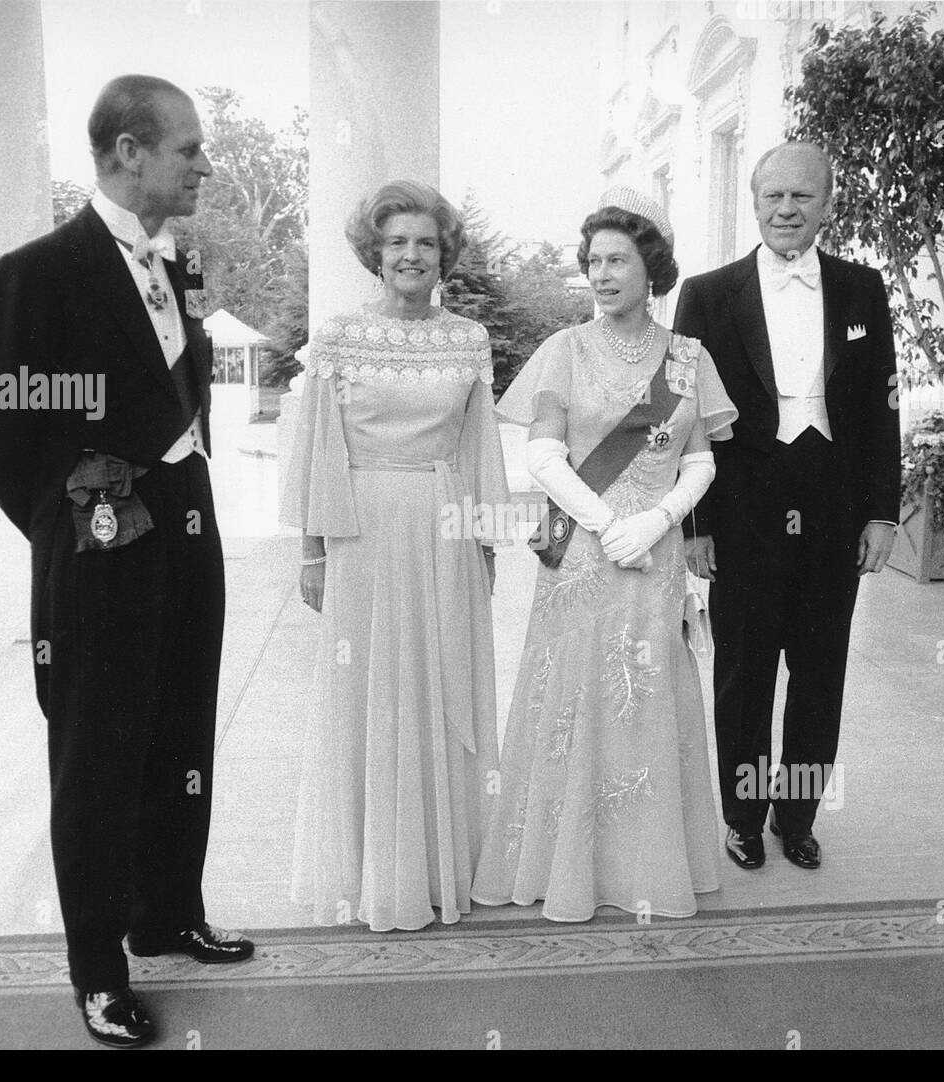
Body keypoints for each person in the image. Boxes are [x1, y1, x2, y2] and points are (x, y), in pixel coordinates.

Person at [0, 75, 253, 1049]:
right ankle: (99, 972)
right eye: (189, 149)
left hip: (187, 534)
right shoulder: (38, 274)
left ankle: (167, 911)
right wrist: (71, 528)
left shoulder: (173, 264)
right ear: (129, 151)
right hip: (98, 557)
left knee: (180, 735)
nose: (204, 165)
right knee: (97, 759)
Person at [471, 188, 737, 922]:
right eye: (593, 261)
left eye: (618, 259)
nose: (603, 273)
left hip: (654, 558)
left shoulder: (687, 358)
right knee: (576, 697)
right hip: (583, 558)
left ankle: (645, 863)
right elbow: (545, 454)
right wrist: (602, 520)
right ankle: (565, 864)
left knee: (646, 695)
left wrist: (655, 521)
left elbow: (703, 461)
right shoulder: (565, 349)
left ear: (651, 265)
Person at [281, 180, 509, 932]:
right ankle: (376, 871)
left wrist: (485, 542)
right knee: (369, 689)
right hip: (362, 530)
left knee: (440, 683)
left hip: (444, 526)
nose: (412, 255)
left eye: (426, 243)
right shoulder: (340, 336)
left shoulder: (467, 339)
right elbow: (319, 446)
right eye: (397, 243)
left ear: (445, 255)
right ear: (375, 255)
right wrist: (313, 552)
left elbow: (479, 446)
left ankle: (442, 864)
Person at [674, 141, 900, 872]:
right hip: (742, 511)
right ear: (754, 202)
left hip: (834, 510)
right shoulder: (707, 295)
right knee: (744, 673)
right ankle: (742, 816)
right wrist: (695, 524)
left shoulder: (864, 289)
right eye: (772, 196)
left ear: (829, 206)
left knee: (819, 671)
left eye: (802, 196)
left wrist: (881, 513)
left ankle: (795, 814)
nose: (785, 209)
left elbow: (879, 409)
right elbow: (683, 416)